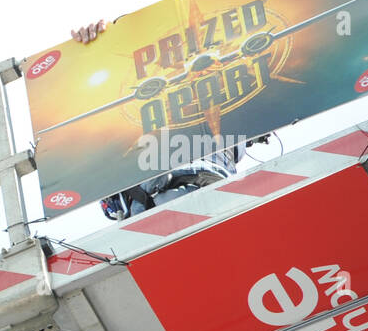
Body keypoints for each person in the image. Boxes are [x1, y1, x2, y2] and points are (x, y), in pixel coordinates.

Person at [70, 20, 249, 221]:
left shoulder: (222, 89)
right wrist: (91, 50)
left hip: (215, 194)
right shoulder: (121, 116)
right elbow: (87, 117)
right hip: (149, 213)